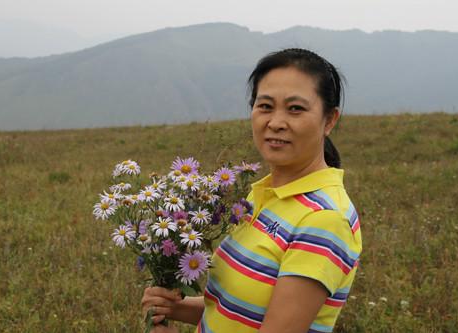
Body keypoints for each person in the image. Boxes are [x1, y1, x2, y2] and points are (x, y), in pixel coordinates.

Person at [141, 48, 362, 333]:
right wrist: (174, 308)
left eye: (295, 108)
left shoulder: (324, 221)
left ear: (329, 120)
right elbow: (232, 310)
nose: (276, 122)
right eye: (265, 106)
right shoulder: (262, 194)